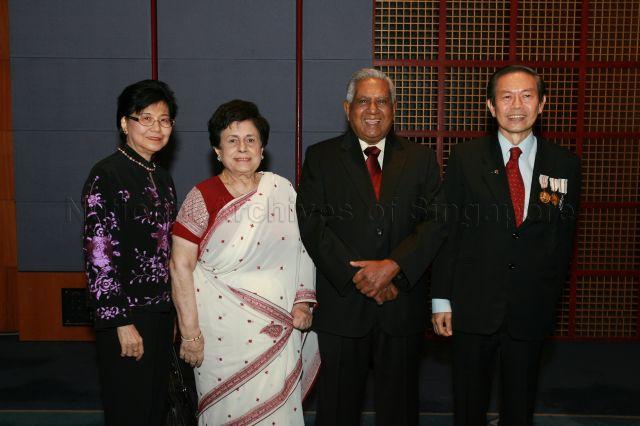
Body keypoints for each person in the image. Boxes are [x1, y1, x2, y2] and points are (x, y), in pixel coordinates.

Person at [431, 65, 581, 425]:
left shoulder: (565, 164)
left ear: (542, 104)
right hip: (471, 308)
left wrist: (549, 303)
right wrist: (441, 299)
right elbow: (447, 232)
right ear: (490, 106)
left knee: (520, 408)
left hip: (530, 311)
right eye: (506, 96)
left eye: (527, 95)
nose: (517, 105)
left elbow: (562, 243)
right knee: (468, 406)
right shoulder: (465, 160)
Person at [297, 68, 446, 425]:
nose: (373, 109)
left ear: (394, 109)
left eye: (382, 101)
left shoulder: (421, 159)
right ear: (347, 108)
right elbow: (312, 224)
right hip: (343, 306)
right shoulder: (321, 157)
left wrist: (393, 267)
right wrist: (362, 277)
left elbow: (436, 222)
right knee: (337, 409)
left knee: (400, 409)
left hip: (401, 304)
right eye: (363, 101)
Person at [170, 99, 319, 425]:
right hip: (220, 336)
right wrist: (190, 333)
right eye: (232, 140)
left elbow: (304, 249)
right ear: (217, 150)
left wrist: (304, 303)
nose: (242, 148)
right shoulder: (202, 196)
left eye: (250, 140)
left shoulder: (281, 191)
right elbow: (180, 265)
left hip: (278, 329)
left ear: (262, 148)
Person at [82, 79, 178, 426]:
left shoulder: (162, 177)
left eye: (164, 119)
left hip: (159, 312)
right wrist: (120, 321)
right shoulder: (107, 174)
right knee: (128, 409)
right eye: (145, 117)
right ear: (125, 123)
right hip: (126, 315)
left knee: (155, 407)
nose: (156, 127)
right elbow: (99, 255)